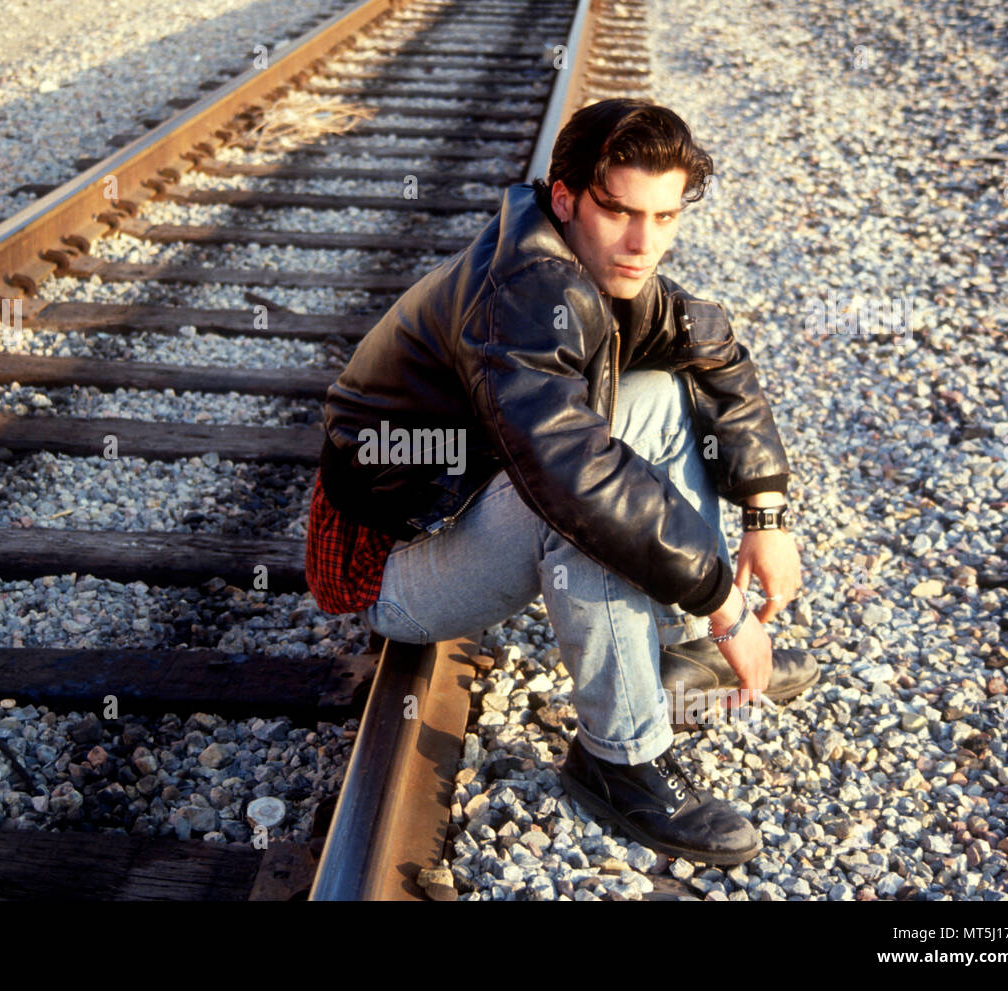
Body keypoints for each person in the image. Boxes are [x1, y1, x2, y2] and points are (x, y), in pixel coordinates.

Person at [305, 99, 818, 866]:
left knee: (658, 392)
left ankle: (675, 648)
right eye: (620, 212)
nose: (645, 244)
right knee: (582, 505)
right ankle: (618, 758)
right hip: (389, 566)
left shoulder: (605, 269)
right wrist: (726, 603)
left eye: (666, 216)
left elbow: (720, 359)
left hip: (472, 498)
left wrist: (767, 517)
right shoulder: (522, 298)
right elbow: (577, 484)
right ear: (566, 196)